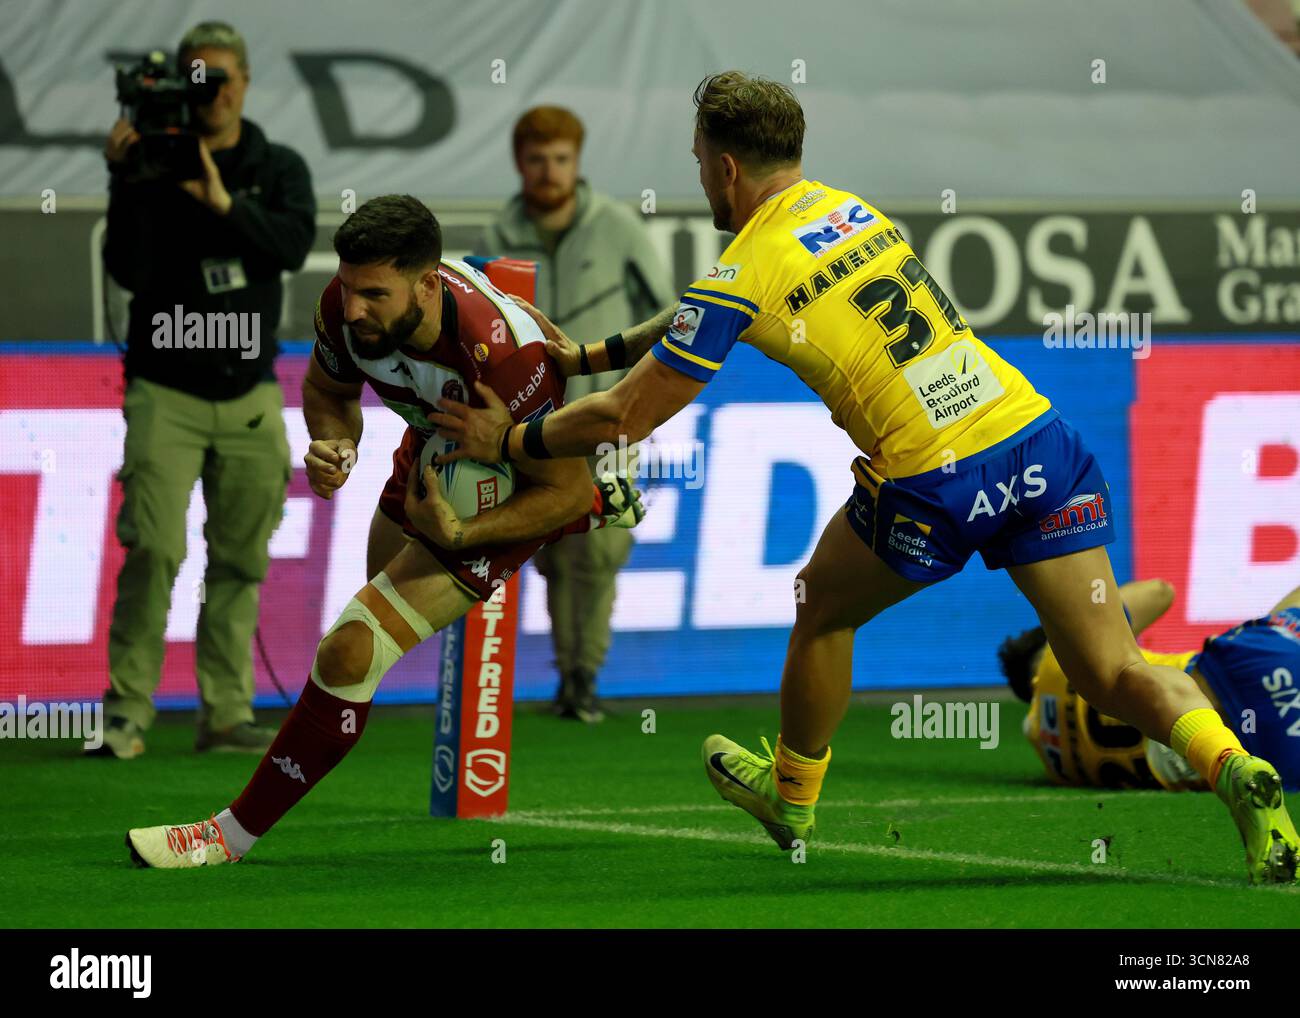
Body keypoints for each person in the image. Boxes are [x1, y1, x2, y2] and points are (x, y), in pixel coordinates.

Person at [430, 71, 1299, 883]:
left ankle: (794, 790)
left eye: (698, 162)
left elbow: (625, 416)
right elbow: (707, 303)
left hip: (935, 477)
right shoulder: (849, 210)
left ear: (725, 167)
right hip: (1037, 439)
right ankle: (1235, 768)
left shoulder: (748, 267)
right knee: (1110, 667)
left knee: (821, 606)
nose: (698, 175)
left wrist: (512, 440)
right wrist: (589, 349)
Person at [124, 195, 643, 867]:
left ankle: (226, 837)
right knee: (368, 611)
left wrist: (462, 534)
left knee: (349, 650)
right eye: (347, 287)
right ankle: (600, 499)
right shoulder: (344, 315)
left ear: (426, 286)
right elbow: (331, 392)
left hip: (509, 474)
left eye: (374, 293)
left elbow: (556, 486)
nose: (354, 307)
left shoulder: (508, 359)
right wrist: (334, 445)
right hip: (433, 441)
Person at [93, 21, 316, 758]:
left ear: (245, 82)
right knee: (154, 547)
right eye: (195, 78)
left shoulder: (276, 165)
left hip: (250, 391)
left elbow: (290, 244)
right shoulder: (150, 168)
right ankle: (127, 711)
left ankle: (224, 713)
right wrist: (124, 180)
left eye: (219, 78)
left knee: (242, 556)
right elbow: (127, 268)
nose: (208, 92)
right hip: (167, 387)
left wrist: (224, 202)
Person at [484, 106, 673, 721]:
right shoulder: (494, 239)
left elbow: (670, 319)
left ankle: (583, 678)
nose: (549, 171)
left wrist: (643, 402)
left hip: (608, 417)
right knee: (547, 550)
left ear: (577, 160)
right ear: (519, 162)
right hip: (529, 424)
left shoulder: (618, 227)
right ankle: (569, 676)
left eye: (560, 158)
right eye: (537, 159)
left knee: (600, 549)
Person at [1003, 579, 1300, 792]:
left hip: (1259, 758)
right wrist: (1079, 623)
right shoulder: (1060, 657)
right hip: (1243, 672)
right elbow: (1160, 592)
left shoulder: (1058, 766)